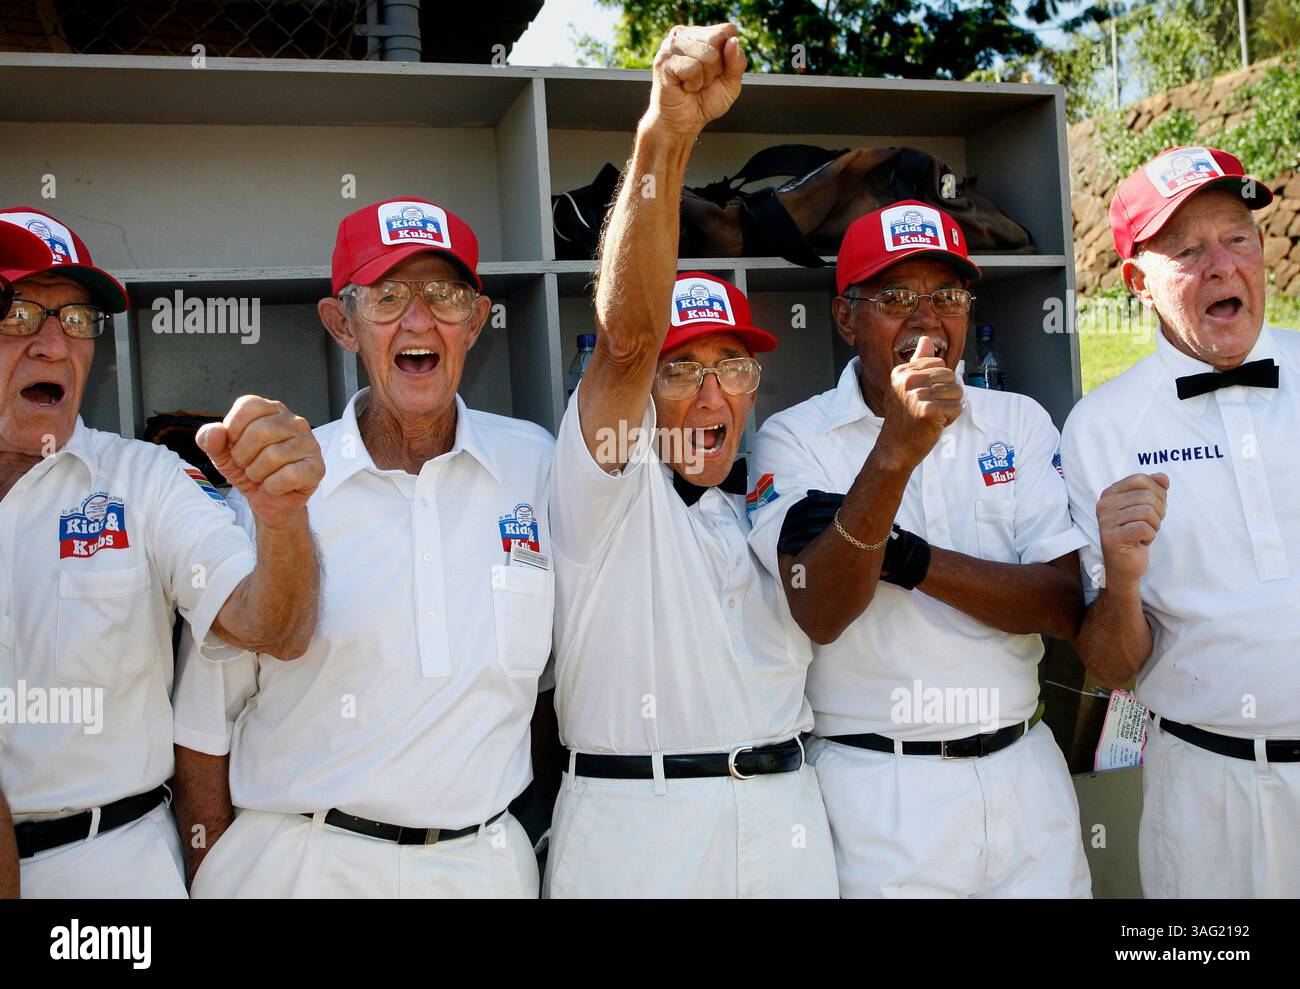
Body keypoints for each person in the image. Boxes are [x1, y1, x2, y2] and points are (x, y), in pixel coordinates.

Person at [173, 197, 554, 898]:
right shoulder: (276, 483)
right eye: (387, 296)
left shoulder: (535, 465)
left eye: (442, 295)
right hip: (308, 861)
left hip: (486, 865)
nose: (418, 320)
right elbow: (203, 722)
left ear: (475, 321)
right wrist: (213, 868)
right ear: (342, 323)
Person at [544, 23, 838, 899]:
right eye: (682, 371)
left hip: (786, 823)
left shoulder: (769, 500)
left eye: (733, 369)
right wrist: (663, 139)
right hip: (642, 834)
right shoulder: (604, 486)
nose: (713, 399)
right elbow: (627, 337)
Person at [748, 199, 1092, 897]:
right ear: (846, 317)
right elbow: (822, 608)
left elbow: (1060, 603)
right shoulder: (793, 436)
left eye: (947, 295)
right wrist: (894, 454)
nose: (927, 318)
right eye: (896, 296)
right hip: (880, 788)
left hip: (1024, 768)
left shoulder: (1017, 419)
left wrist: (902, 556)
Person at [0, 206, 323, 899]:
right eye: (21, 312)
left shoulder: (145, 480)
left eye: (78, 319)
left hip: (115, 870)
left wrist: (280, 517)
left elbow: (276, 627)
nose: (54, 345)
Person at [1061, 145, 1298, 897]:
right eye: (1188, 250)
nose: (1221, 265)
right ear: (1138, 282)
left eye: (1237, 237)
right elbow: (1112, 663)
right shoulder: (1100, 428)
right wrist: (1122, 577)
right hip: (1200, 792)